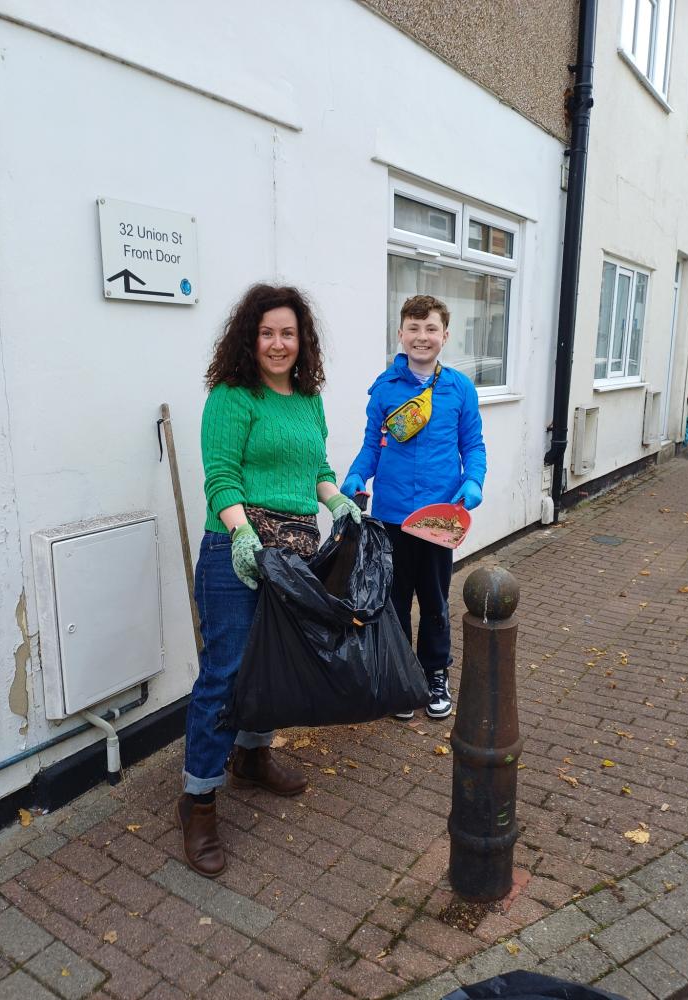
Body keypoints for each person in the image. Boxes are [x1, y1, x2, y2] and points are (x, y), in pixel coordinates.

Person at [178, 283, 361, 877]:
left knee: (274, 661)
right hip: (235, 552)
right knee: (225, 675)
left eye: (288, 333)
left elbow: (319, 467)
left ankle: (252, 759)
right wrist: (241, 535)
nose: (278, 344)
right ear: (249, 338)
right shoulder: (233, 396)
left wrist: (337, 500)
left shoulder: (308, 398)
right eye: (267, 333)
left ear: (301, 340)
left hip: (294, 553)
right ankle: (198, 799)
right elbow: (221, 478)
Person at [342, 294, 486, 720]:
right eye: (413, 328)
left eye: (431, 329)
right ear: (401, 334)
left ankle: (435, 672)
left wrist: (473, 480)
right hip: (391, 515)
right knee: (395, 599)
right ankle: (402, 676)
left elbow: (472, 445)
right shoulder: (385, 389)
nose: (422, 337)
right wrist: (355, 475)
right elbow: (372, 445)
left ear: (445, 335)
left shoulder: (459, 388)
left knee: (436, 600)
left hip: (440, 516)